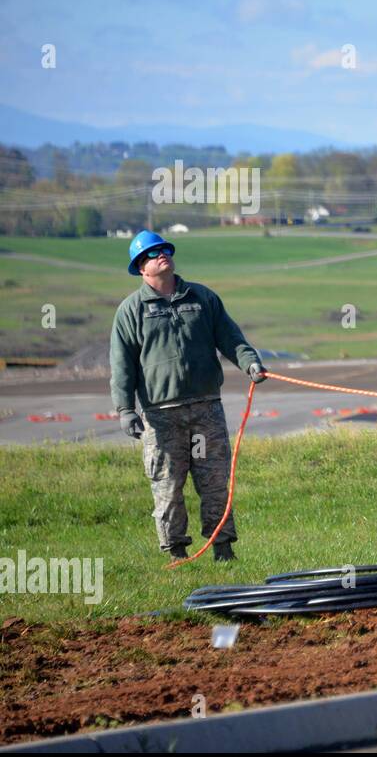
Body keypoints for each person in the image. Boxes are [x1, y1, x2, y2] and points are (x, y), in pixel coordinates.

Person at [110, 230, 265, 561]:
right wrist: (125, 409)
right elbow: (121, 365)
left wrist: (250, 363)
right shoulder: (130, 311)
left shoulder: (202, 298)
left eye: (165, 248)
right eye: (152, 253)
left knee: (214, 481)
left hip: (206, 409)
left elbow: (230, 337)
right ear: (141, 267)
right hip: (160, 415)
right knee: (167, 486)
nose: (161, 254)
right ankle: (177, 553)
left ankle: (223, 549)